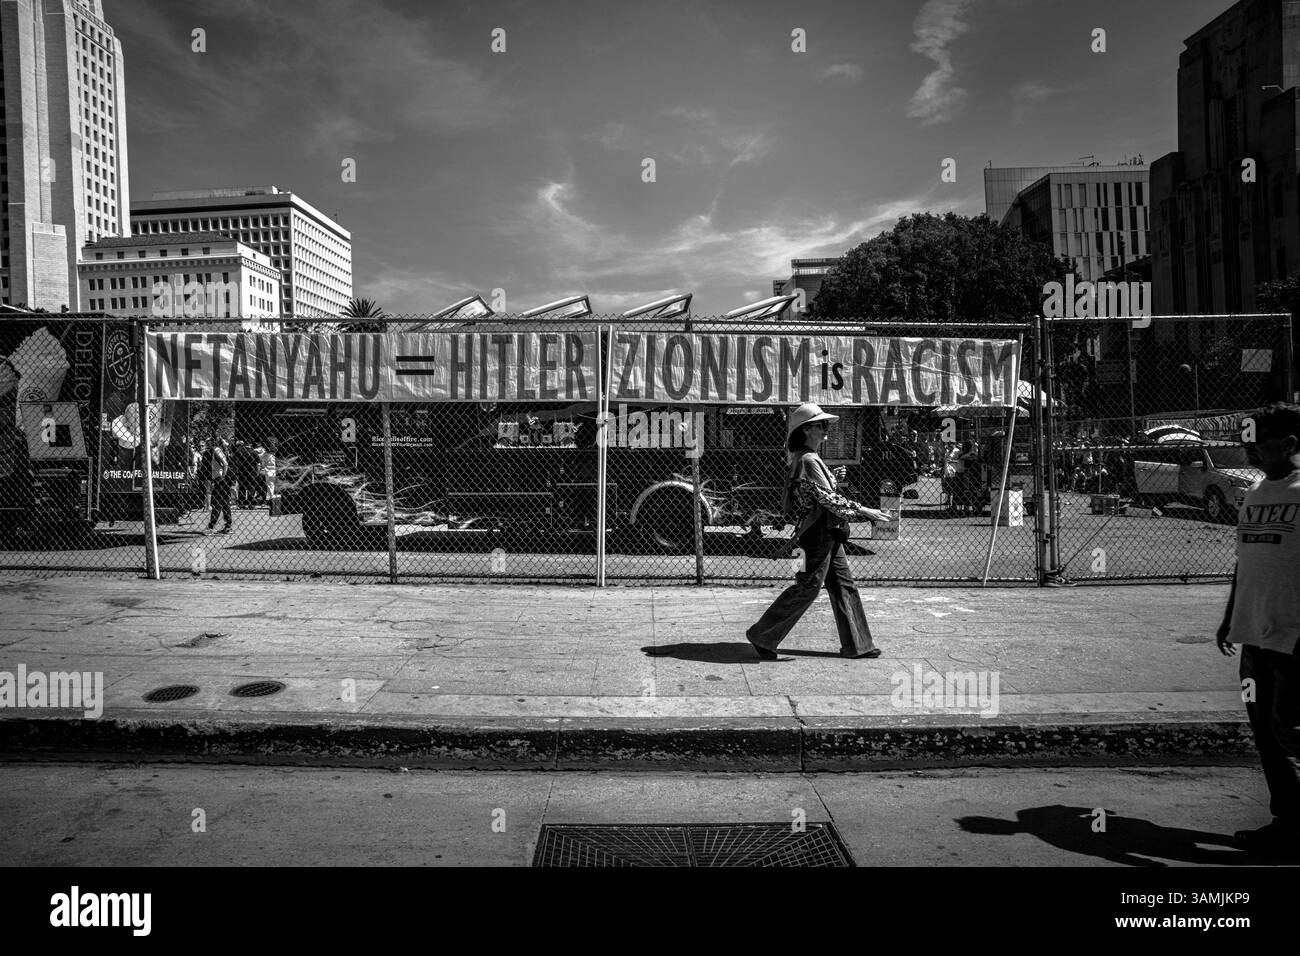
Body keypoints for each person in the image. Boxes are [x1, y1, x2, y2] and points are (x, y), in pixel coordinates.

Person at [1216, 401, 1300, 858]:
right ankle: (1287, 824)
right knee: (1268, 737)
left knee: (1291, 732)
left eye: (1258, 441)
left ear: (1288, 443)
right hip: (1254, 635)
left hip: (1293, 638)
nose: (1249, 449)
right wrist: (1231, 618)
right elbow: (1243, 562)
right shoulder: (1255, 493)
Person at [746, 403, 893, 661]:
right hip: (819, 533)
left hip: (822, 531)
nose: (826, 429)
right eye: (820, 425)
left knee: (843, 586)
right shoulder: (809, 458)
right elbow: (827, 498)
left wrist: (831, 476)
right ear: (805, 430)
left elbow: (813, 491)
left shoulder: (804, 456)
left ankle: (859, 645)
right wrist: (866, 511)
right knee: (809, 587)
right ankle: (763, 634)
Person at [207, 438, 232, 533]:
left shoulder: (217, 450)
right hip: (220, 479)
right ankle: (228, 526)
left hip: (220, 480)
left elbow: (225, 464)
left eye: (208, 441)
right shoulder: (216, 451)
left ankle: (211, 526)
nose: (207, 443)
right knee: (225, 503)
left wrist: (223, 477)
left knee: (217, 502)